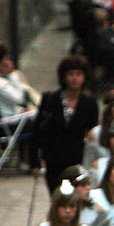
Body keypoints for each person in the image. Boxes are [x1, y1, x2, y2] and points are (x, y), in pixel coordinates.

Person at [32, 56, 99, 195]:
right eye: (70, 74)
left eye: (79, 74)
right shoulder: (50, 100)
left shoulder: (90, 103)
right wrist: (35, 162)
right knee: (57, 198)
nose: (75, 78)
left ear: (85, 77)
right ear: (63, 77)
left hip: (77, 161)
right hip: (53, 160)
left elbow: (93, 135)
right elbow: (37, 131)